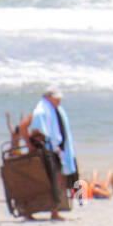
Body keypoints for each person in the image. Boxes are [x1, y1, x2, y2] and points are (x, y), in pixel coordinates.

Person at [28, 90, 78, 218]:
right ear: (47, 98)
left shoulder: (55, 111)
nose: (59, 101)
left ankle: (54, 211)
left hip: (54, 152)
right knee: (47, 182)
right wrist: (30, 146)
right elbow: (26, 128)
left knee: (56, 181)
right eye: (56, 98)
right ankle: (47, 211)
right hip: (46, 152)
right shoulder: (40, 112)